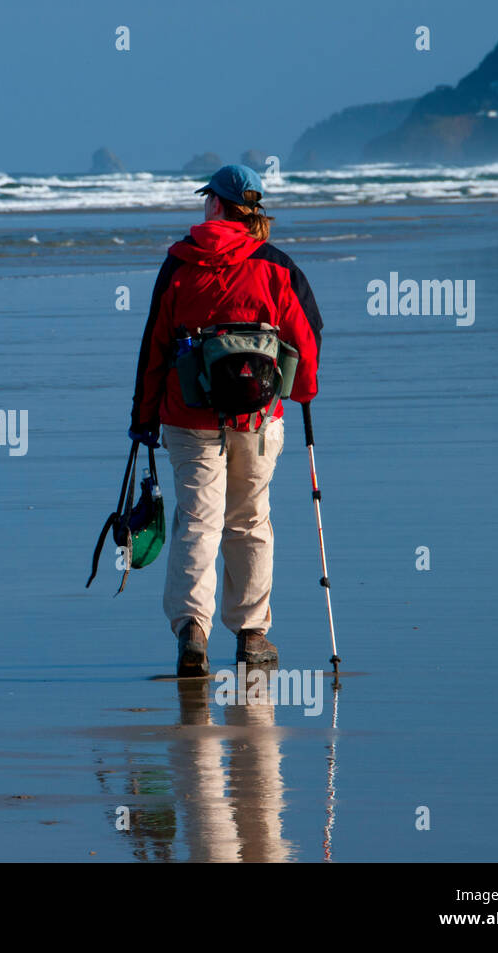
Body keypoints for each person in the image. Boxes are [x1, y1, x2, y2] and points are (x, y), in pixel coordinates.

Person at [128, 164, 322, 677]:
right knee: (250, 520)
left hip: (189, 416)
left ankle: (193, 631)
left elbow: (154, 345)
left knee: (198, 520)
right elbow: (306, 339)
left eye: (207, 197)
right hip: (258, 417)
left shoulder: (179, 263)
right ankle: (252, 636)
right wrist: (300, 392)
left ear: (216, 204)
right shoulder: (276, 265)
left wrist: (142, 419)